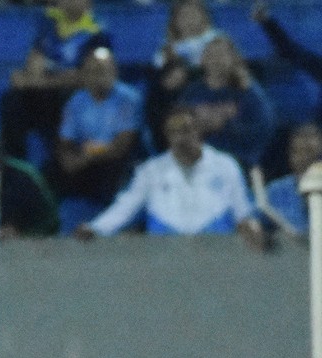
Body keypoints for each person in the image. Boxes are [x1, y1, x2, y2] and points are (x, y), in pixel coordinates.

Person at [74, 107, 266, 251]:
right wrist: (96, 228)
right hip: (166, 254)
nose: (181, 138)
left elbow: (242, 211)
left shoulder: (225, 165)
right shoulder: (151, 171)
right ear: (167, 136)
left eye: (186, 130)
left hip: (216, 252)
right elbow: (125, 207)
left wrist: (252, 227)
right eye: (174, 132)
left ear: (198, 130)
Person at [0, 0, 112, 166]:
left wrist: (42, 80)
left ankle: (63, 161)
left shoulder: (98, 32)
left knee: (67, 98)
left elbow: (86, 77)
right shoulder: (49, 24)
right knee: (11, 100)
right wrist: (31, 79)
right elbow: (34, 64)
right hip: (46, 93)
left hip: (75, 97)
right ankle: (16, 165)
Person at [51, 47, 142, 217]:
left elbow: (122, 145)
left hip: (116, 159)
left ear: (114, 71)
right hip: (86, 157)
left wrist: (88, 155)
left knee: (115, 169)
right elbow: (66, 141)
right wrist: (71, 160)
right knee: (54, 167)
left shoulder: (129, 99)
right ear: (84, 75)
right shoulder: (75, 102)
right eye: (93, 71)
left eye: (103, 71)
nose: (99, 76)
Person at [178, 34, 274, 170]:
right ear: (202, 59)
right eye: (211, 54)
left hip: (240, 162)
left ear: (233, 58)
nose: (216, 59)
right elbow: (177, 127)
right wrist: (202, 126)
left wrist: (226, 125)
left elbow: (264, 128)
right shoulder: (192, 92)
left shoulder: (248, 90)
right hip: (198, 162)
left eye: (222, 54)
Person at [146, 0, 223, 149]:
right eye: (183, 15)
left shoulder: (217, 41)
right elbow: (158, 86)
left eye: (193, 14)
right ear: (174, 21)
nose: (189, 19)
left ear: (204, 16)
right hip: (173, 104)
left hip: (210, 99)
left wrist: (188, 73)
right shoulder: (166, 50)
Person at [262, 122, 322, 234]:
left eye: (308, 152)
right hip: (287, 249)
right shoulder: (275, 190)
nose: (303, 158)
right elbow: (256, 223)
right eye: (297, 152)